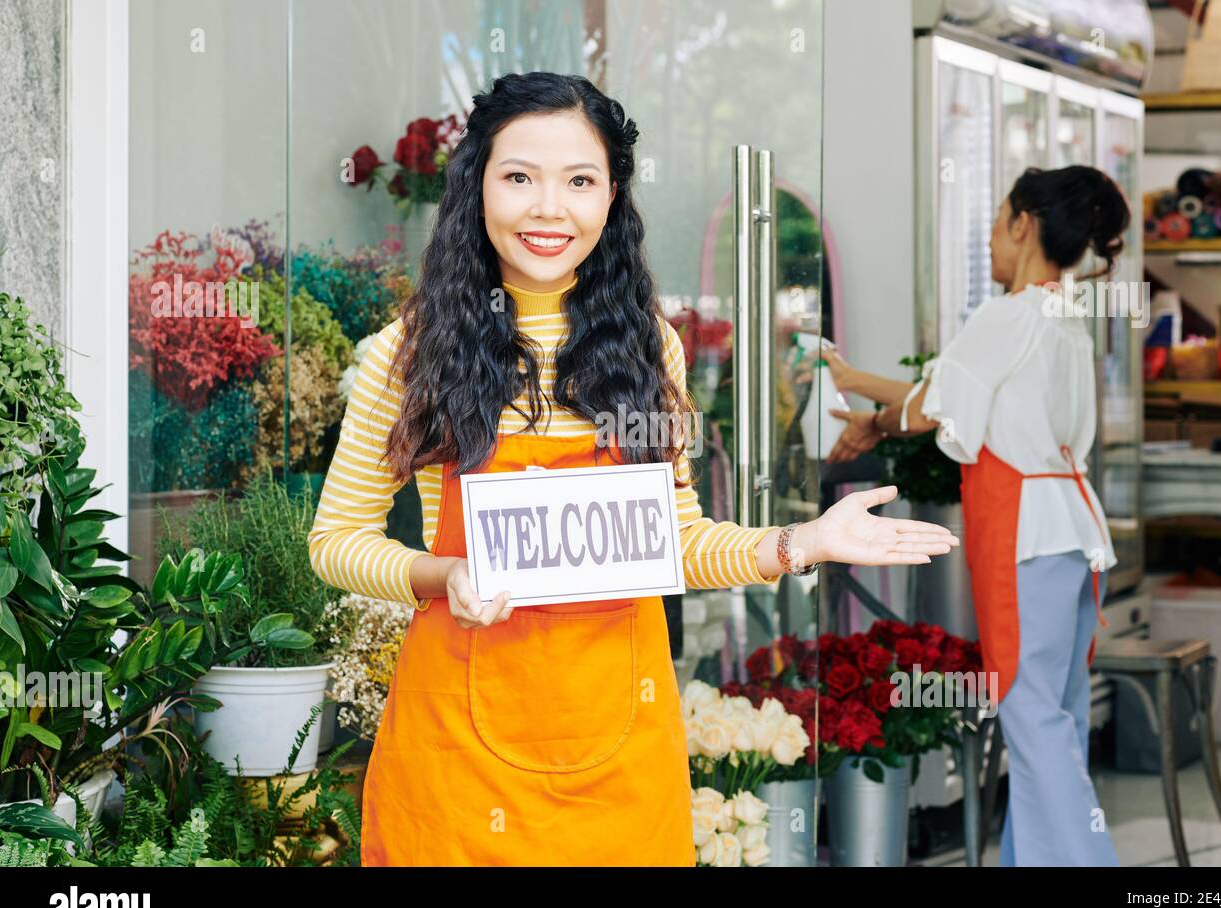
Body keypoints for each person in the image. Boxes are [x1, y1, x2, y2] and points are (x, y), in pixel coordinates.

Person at [306, 71, 960, 866]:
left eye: (579, 181)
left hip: (623, 744)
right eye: (519, 178)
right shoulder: (405, 355)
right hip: (459, 756)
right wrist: (444, 575)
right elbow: (336, 540)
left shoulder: (648, 347)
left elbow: (675, 542)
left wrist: (802, 544)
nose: (550, 209)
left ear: (611, 197)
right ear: (475, 187)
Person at [812, 165, 1128, 866]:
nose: (988, 241)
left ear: (1024, 225)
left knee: (1030, 716)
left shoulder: (1006, 315)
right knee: (1058, 716)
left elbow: (930, 406)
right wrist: (869, 397)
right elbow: (945, 392)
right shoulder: (1062, 317)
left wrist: (874, 419)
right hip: (1074, 535)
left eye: (995, 223)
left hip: (1024, 535)